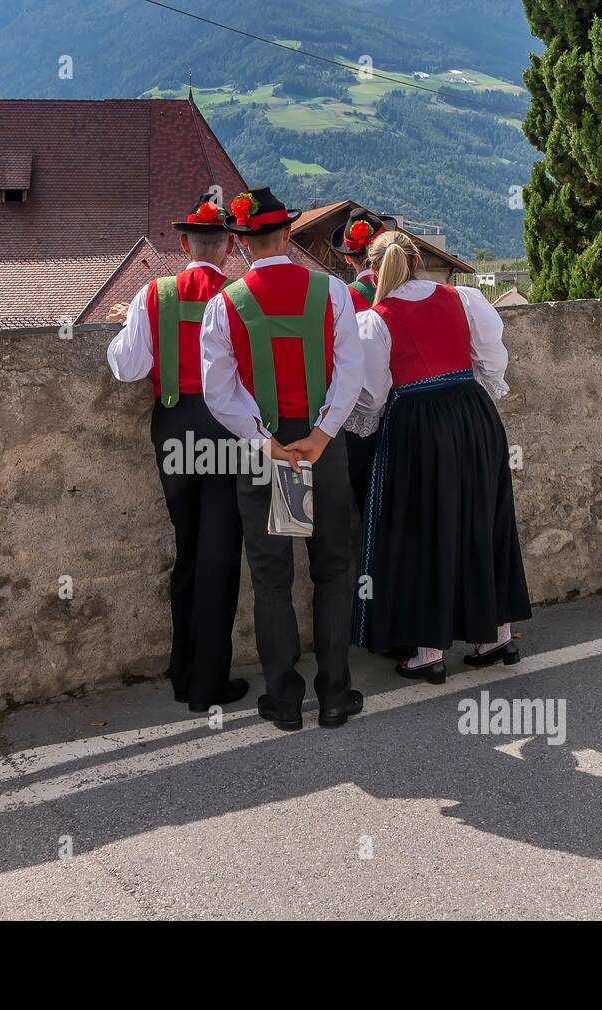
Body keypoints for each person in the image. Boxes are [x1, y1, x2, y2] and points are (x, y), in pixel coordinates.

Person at [199, 186, 366, 731]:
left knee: (271, 577)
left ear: (240, 242)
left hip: (264, 450)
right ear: (288, 234)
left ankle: (284, 700)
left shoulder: (224, 305)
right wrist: (320, 435)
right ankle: (336, 694)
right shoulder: (334, 292)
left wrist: (264, 441)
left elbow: (218, 390)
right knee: (334, 569)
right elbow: (350, 374)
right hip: (324, 447)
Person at [351, 231, 532, 683]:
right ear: (420, 261)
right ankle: (495, 636)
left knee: (421, 528)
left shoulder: (376, 319)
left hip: (416, 424)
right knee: (482, 518)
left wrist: (363, 425)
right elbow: (491, 361)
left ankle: (428, 650)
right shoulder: (466, 299)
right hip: (473, 414)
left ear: (374, 271)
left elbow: (371, 395)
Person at [106, 194, 247, 713]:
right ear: (230, 247)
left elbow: (126, 367)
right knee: (220, 555)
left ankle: (181, 671)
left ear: (184, 244)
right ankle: (209, 682)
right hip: (228, 429)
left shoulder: (154, 293)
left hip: (175, 427)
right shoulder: (241, 296)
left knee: (187, 549)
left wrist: (130, 321)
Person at [331, 207, 398, 515]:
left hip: (361, 417)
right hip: (409, 409)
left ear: (348, 258)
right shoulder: (403, 291)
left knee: (366, 503)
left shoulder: (343, 298)